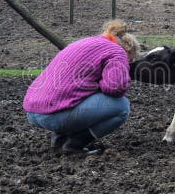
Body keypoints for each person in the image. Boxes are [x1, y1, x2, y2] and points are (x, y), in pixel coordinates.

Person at [24, 20, 140, 155]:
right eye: (129, 62)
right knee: (121, 106)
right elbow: (115, 87)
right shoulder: (117, 51)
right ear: (129, 51)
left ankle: (59, 140)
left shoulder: (84, 42)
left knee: (78, 94)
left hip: (34, 111)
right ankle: (74, 145)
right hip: (53, 115)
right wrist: (101, 83)